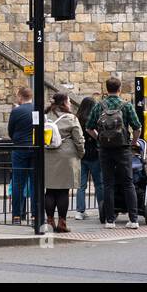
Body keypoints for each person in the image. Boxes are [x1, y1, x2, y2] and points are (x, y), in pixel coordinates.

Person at [86, 76, 143, 229]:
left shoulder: (99, 106)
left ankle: (110, 221)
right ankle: (134, 219)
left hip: (105, 149)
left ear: (106, 89)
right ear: (120, 89)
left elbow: (89, 127)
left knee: (108, 184)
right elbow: (137, 127)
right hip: (123, 148)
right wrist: (132, 142)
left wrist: (99, 139)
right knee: (128, 183)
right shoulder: (126, 105)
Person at [44, 92, 85, 233]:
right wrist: (81, 153)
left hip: (47, 155)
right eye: (68, 101)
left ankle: (49, 221)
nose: (70, 104)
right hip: (66, 156)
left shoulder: (45, 116)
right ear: (64, 102)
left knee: (49, 190)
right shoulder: (71, 118)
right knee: (63, 191)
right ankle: (62, 222)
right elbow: (79, 139)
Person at [7, 86, 35, 225]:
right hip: (35, 149)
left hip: (19, 148)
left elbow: (10, 131)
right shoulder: (37, 109)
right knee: (35, 183)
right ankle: (36, 215)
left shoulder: (16, 111)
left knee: (18, 183)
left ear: (20, 97)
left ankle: (17, 216)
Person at [74, 96, 102, 220]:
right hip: (95, 154)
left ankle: (80, 211)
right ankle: (103, 209)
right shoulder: (95, 119)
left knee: (81, 185)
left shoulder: (77, 119)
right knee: (99, 184)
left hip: (81, 154)